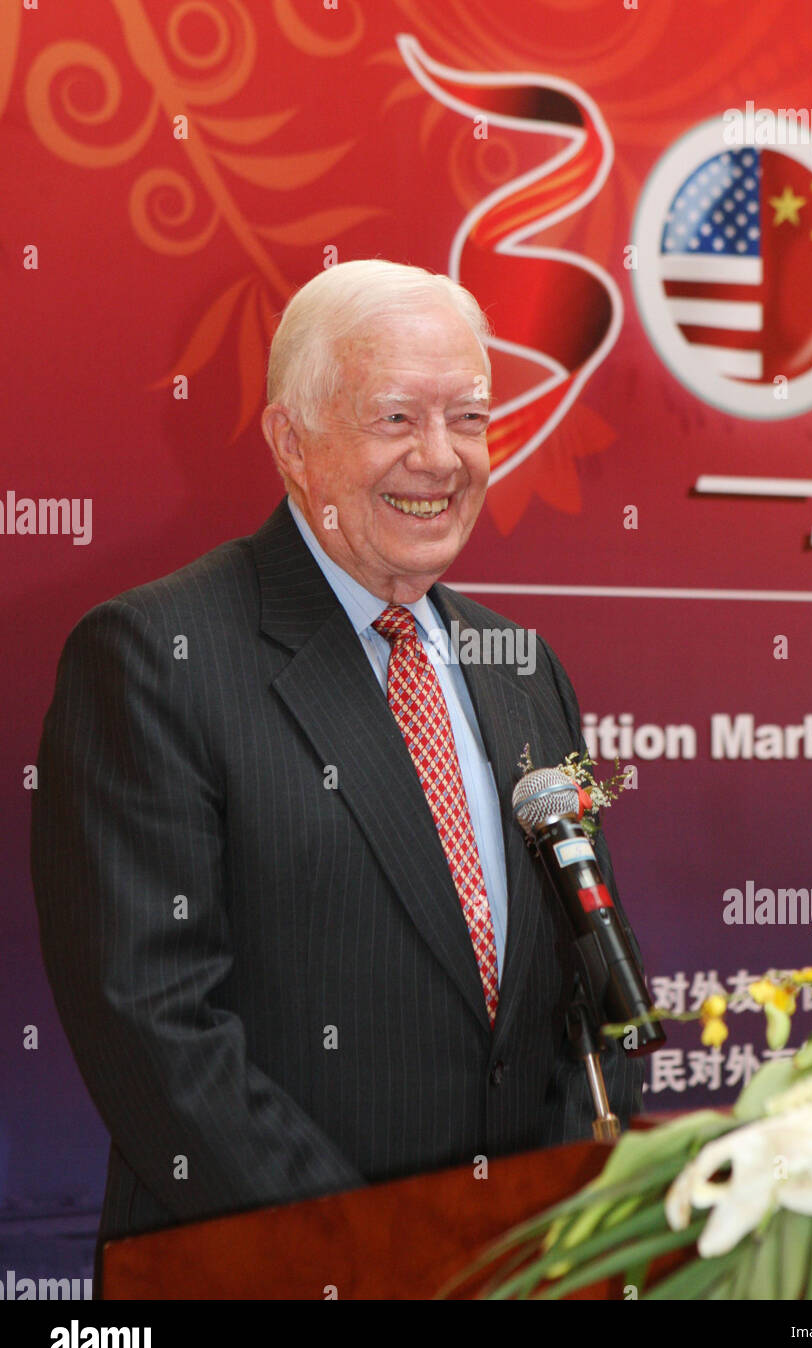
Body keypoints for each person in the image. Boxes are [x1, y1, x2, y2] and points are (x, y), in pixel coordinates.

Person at [31, 259, 645, 1288]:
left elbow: (589, 995)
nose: (441, 459)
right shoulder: (154, 657)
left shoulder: (523, 669)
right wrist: (384, 1255)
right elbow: (156, 1030)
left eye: (471, 418)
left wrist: (563, 1236)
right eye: (396, 418)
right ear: (291, 441)